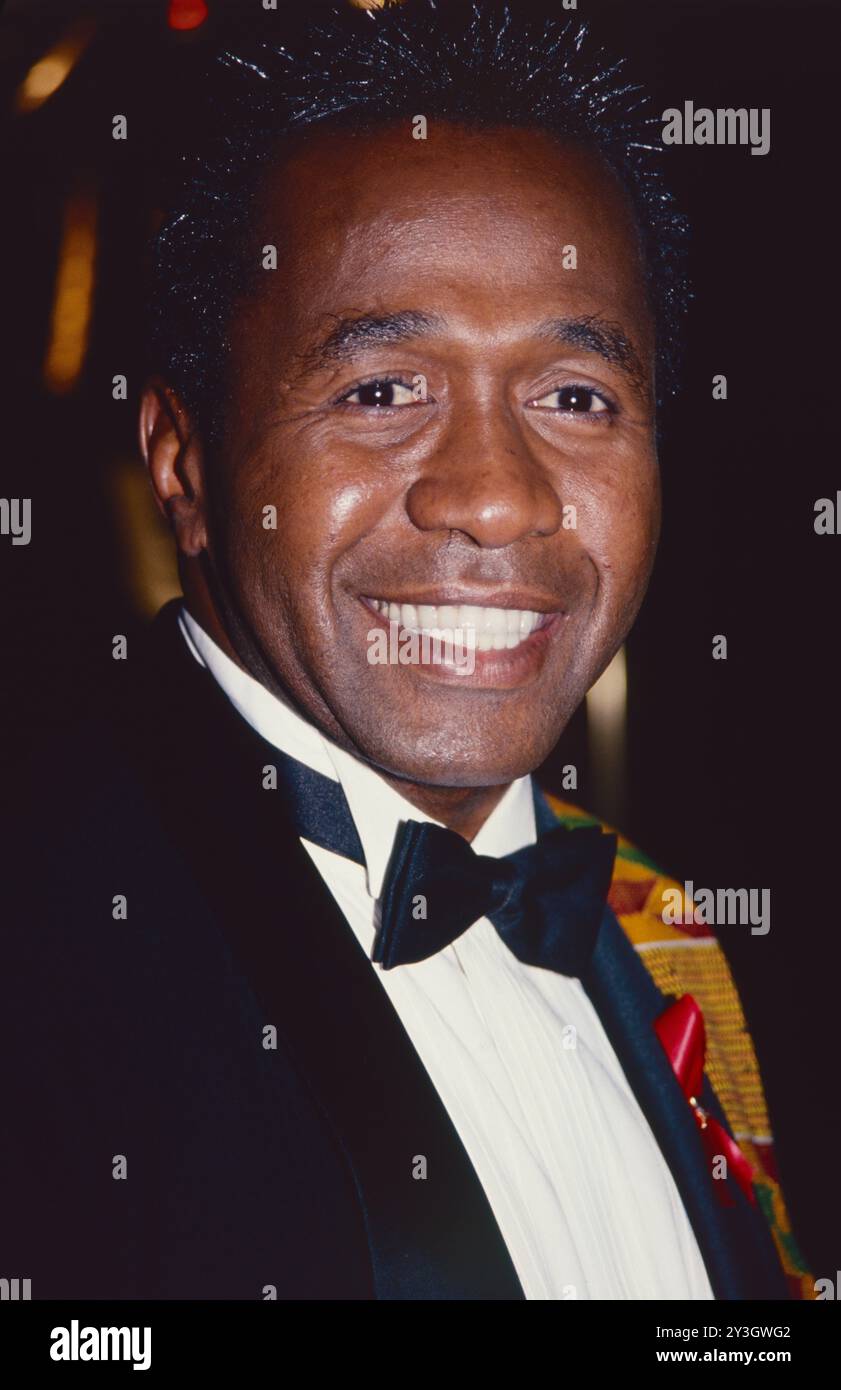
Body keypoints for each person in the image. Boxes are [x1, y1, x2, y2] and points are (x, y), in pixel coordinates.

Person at [2, 0, 811, 1300]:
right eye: (381, 391)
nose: (496, 497)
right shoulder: (43, 946)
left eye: (574, 397)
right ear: (185, 462)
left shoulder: (662, 931)